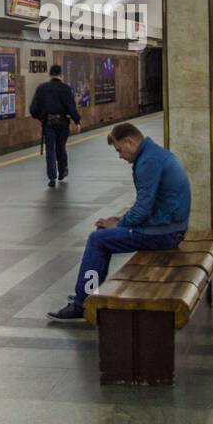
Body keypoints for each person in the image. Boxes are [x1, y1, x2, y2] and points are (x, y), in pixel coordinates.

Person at [47, 123, 191, 322]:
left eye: (119, 149)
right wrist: (121, 220)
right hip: (170, 227)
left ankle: (82, 303)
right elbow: (149, 204)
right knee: (103, 231)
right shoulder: (154, 155)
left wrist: (122, 224)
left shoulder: (148, 162)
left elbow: (143, 207)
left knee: (97, 239)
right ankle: (88, 293)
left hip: (164, 234)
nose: (120, 156)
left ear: (129, 142)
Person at [28, 64, 81, 188]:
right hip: (63, 124)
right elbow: (71, 107)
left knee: (50, 150)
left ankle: (52, 177)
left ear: (50, 75)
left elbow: (33, 109)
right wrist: (77, 121)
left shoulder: (42, 88)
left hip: (48, 124)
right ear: (61, 75)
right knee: (61, 147)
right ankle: (62, 170)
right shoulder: (66, 89)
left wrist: (41, 118)